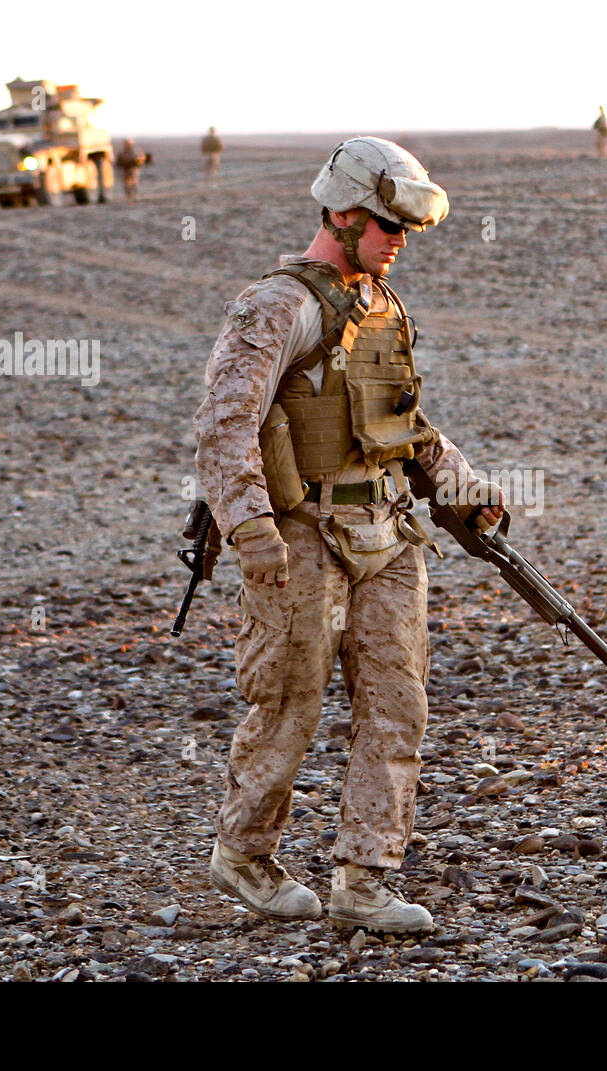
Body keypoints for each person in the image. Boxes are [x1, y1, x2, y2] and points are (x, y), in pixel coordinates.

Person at [192, 136, 504, 934]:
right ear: (342, 213)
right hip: (302, 536)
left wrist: (460, 485)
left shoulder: (384, 308)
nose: (398, 242)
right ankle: (245, 853)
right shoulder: (276, 307)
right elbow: (227, 423)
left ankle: (366, 877)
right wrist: (250, 525)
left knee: (398, 704)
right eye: (387, 226)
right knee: (288, 703)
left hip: (389, 532)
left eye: (404, 229)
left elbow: (403, 424)